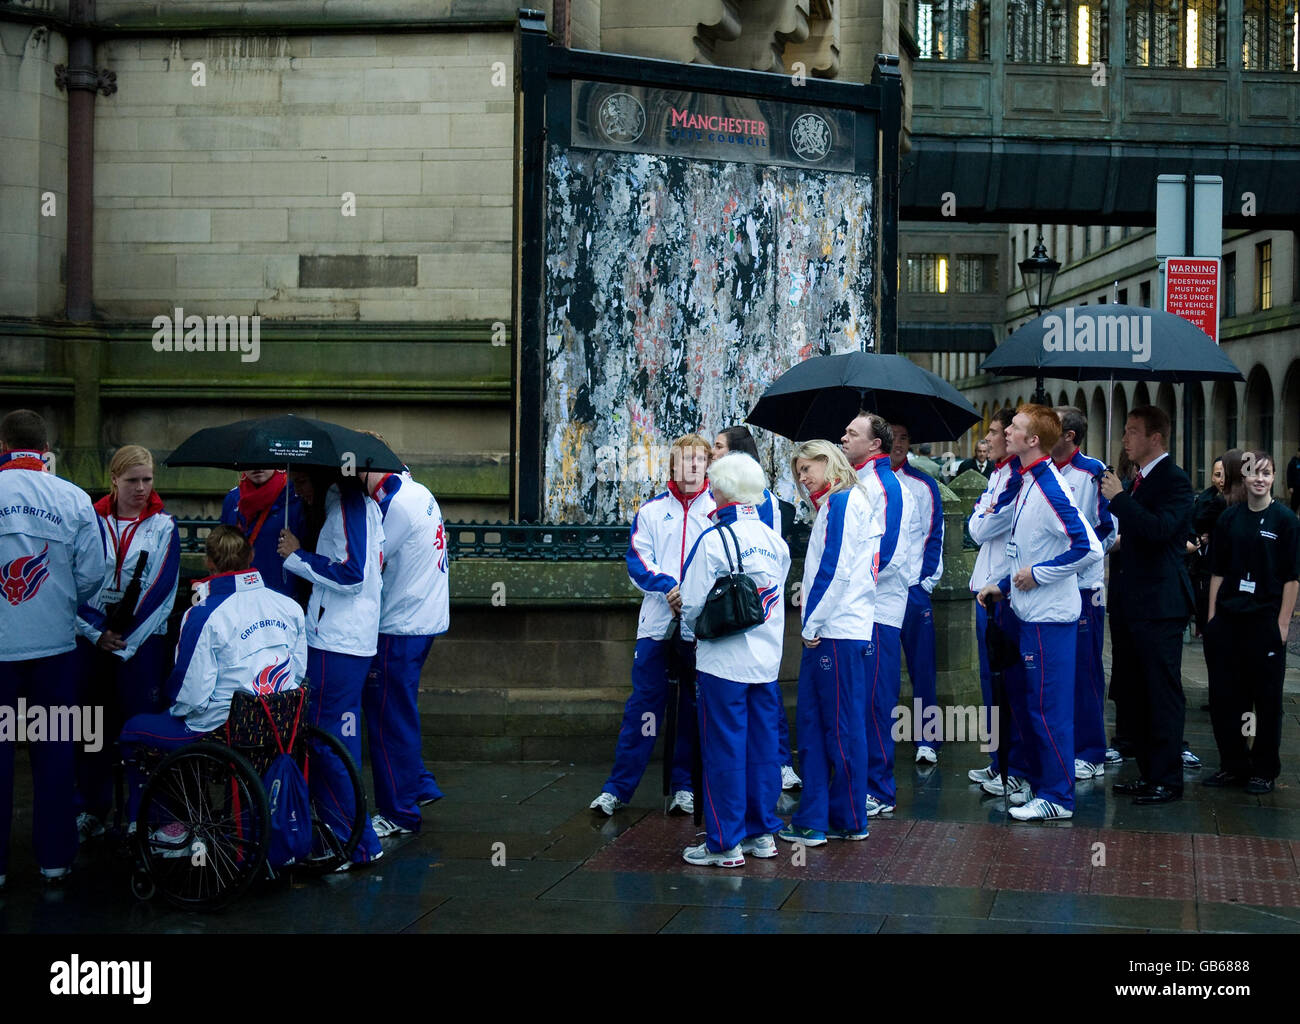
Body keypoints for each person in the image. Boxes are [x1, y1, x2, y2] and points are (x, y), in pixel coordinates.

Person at [118, 526, 306, 822]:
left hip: (224, 728)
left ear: (209, 562)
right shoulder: (289, 606)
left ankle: (164, 825)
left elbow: (190, 693)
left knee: (134, 730)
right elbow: (298, 670)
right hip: (280, 723)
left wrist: (178, 711)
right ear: (252, 556)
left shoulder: (203, 613)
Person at [977, 405, 1101, 821]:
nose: (1006, 430)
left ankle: (1058, 797)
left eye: (1014, 427)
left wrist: (1040, 575)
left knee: (1049, 710)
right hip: (1031, 614)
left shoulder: (1049, 486)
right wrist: (1007, 584)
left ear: (1033, 441)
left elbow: (1088, 547)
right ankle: (1044, 785)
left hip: (1050, 619)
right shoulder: (1030, 480)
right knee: (1036, 706)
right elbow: (1030, 551)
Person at [0, 410, 107, 887]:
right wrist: (64, 601)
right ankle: (55, 859)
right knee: (56, 751)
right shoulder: (74, 498)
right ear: (45, 447)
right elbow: (93, 575)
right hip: (55, 648)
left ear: (3, 444)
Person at [590, 434, 714, 817]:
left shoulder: (717, 509)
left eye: (698, 459)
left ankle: (683, 785)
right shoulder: (651, 511)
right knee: (644, 708)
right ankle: (618, 788)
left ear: (708, 465)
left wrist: (692, 594)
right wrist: (668, 587)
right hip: (657, 624)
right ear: (673, 466)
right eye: (684, 460)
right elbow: (638, 562)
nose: (692, 466)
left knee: (692, 707)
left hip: (700, 626)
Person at [677, 453, 790, 867]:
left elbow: (690, 606)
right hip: (766, 661)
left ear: (720, 490)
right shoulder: (774, 540)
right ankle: (762, 834)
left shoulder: (712, 540)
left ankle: (724, 843)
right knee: (763, 750)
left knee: (724, 749)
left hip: (723, 663)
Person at [277, 466, 384, 867]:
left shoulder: (346, 504)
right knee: (339, 741)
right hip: (347, 640)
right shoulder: (361, 505)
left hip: (337, 643)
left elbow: (353, 575)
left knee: (327, 743)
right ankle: (356, 838)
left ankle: (351, 841)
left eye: (302, 481)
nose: (298, 490)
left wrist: (297, 557)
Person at [74, 444, 181, 840]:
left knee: (143, 731)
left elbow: (162, 591)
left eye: (147, 480)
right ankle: (91, 808)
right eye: (132, 480)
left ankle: (147, 813)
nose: (141, 488)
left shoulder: (163, 526)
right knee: (91, 728)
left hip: (142, 646)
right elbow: (71, 581)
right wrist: (96, 631)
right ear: (114, 480)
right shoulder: (89, 521)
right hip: (94, 642)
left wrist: (125, 641)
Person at [777, 441, 882, 847]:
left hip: (834, 632)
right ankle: (823, 817)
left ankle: (845, 817)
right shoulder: (847, 501)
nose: (803, 478)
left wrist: (811, 622)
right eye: (799, 471)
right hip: (842, 627)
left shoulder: (840, 503)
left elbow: (837, 568)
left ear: (829, 462)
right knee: (829, 726)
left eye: (808, 468)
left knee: (835, 728)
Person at [1099, 406, 1196, 805]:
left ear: (1156, 438)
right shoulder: (1139, 479)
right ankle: (1146, 771)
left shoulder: (1174, 481)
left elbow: (1158, 531)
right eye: (1124, 431)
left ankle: (1167, 778)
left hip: (1161, 604)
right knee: (1136, 691)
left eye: (1133, 432)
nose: (1125, 439)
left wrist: (1119, 499)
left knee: (1161, 692)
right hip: (1132, 602)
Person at [360, 449, 449, 837]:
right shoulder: (418, 491)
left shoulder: (394, 504)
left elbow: (368, 561)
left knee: (388, 717)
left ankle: (399, 812)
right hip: (422, 620)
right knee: (399, 708)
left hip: (401, 626)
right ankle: (419, 783)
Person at [1203, 451, 1299, 794]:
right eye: (1253, 473)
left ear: (1274, 478)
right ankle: (1234, 763)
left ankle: (1263, 768)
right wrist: (1213, 617)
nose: (1259, 479)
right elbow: (1217, 570)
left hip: (1264, 622)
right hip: (1229, 621)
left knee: (1266, 700)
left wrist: (1283, 624)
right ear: (1243, 478)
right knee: (1228, 698)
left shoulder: (1285, 520)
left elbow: (1291, 577)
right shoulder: (1230, 519)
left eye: (1266, 473)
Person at [712, 425, 800, 791]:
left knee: (765, 690)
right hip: (744, 610)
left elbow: (776, 561)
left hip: (755, 609)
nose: (711, 453)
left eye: (718, 447)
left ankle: (779, 763)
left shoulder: (772, 507)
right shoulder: (715, 495)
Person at [841, 412, 911, 816]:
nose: (844, 438)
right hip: (860, 608)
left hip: (878, 610)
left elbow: (887, 551)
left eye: (853, 433)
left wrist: (846, 583)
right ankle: (862, 781)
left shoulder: (885, 485)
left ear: (874, 445)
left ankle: (880, 789)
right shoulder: (861, 482)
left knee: (876, 700)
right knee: (859, 699)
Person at [1051, 408, 1116, 781]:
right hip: (1050, 587)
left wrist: (1078, 562)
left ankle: (1092, 750)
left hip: (1084, 586)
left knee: (1087, 667)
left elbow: (1107, 531)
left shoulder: (1093, 472)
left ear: (1071, 436)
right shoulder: (1043, 470)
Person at [966, 408, 1025, 789]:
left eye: (996, 431)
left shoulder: (1017, 478)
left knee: (1008, 685)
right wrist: (980, 516)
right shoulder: (997, 473)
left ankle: (1013, 766)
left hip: (1003, 591)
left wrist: (981, 516)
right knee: (989, 682)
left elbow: (985, 524)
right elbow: (975, 528)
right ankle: (996, 760)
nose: (988, 438)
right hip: (983, 586)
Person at [891, 421, 945, 766]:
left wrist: (924, 583)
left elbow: (933, 534)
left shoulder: (923, 485)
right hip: (877, 593)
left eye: (905, 437)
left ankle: (928, 738)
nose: (899, 443)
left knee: (922, 668)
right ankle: (879, 735)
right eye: (893, 437)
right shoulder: (862, 482)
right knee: (879, 671)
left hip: (912, 590)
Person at [220, 469, 306, 601]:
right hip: (240, 595)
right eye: (251, 459)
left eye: (265, 460)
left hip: (283, 598)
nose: (258, 467)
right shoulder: (233, 498)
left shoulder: (296, 495)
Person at [1188, 456, 1228, 638]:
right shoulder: (1205, 500)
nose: (1222, 480)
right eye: (1217, 475)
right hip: (1204, 566)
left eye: (1225, 475)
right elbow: (1193, 526)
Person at [1286, 444, 1300, 513]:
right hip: (1295, 487)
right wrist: (1290, 486)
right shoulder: (1293, 462)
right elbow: (1289, 475)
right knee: (1294, 504)